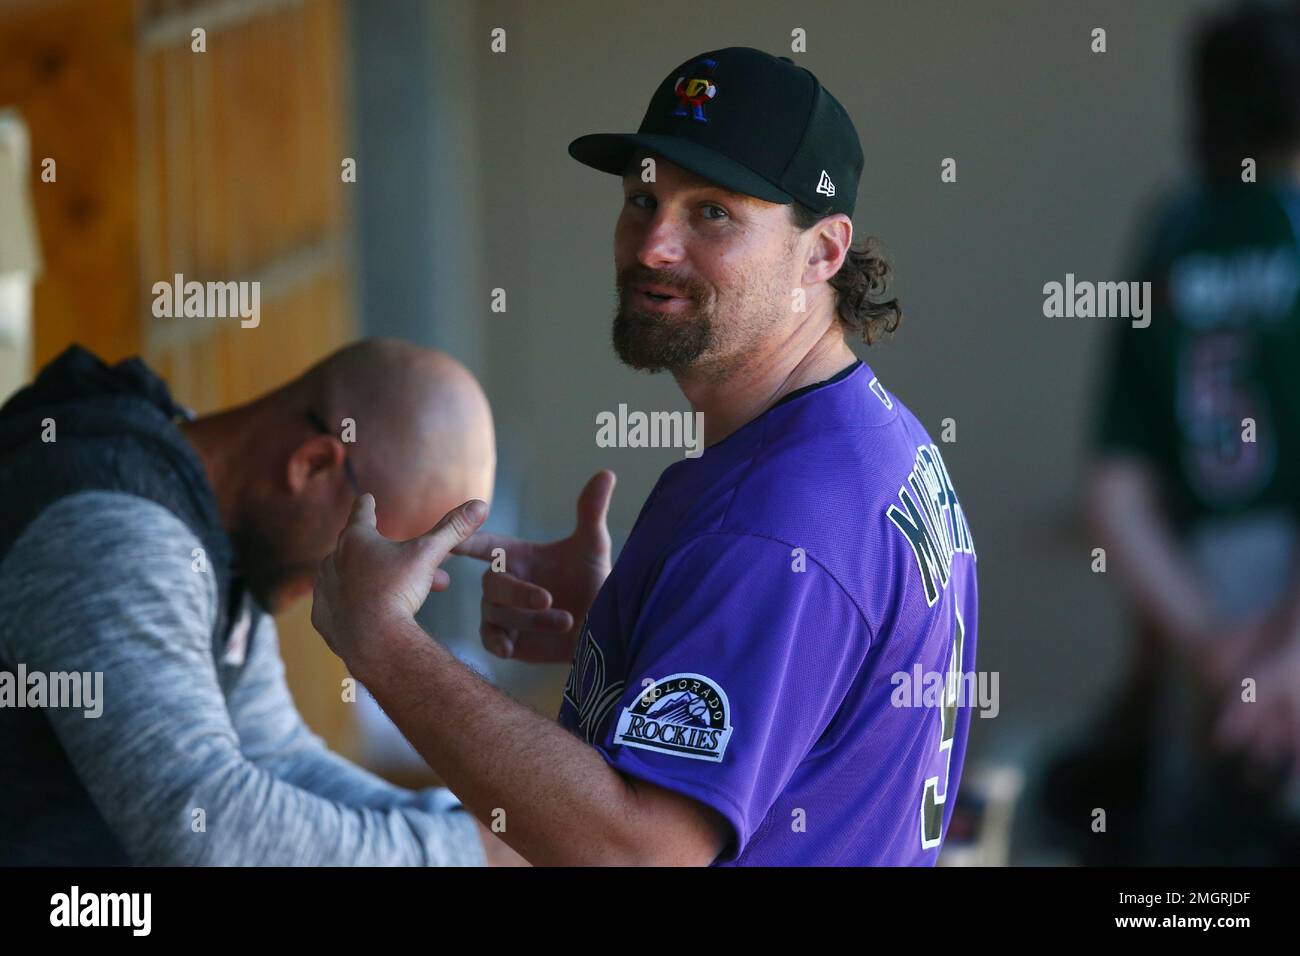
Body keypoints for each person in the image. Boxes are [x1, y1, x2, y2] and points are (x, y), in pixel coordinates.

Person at [312, 47, 979, 866]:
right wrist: (630, 633)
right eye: (642, 197)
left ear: (822, 253)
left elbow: (640, 854)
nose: (654, 243)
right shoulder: (874, 437)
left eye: (713, 214)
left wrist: (380, 639)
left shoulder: (775, 525)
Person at [0, 339, 519, 865]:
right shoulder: (117, 532)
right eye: (374, 550)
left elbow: (274, 755)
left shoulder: (216, 522)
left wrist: (475, 837)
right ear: (313, 463)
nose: (370, 588)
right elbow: (202, 827)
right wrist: (469, 854)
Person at [1056, 0, 1300, 864]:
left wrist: (1213, 649)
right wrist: (1281, 661)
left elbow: (1113, 491)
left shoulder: (1175, 231)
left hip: (1200, 609)